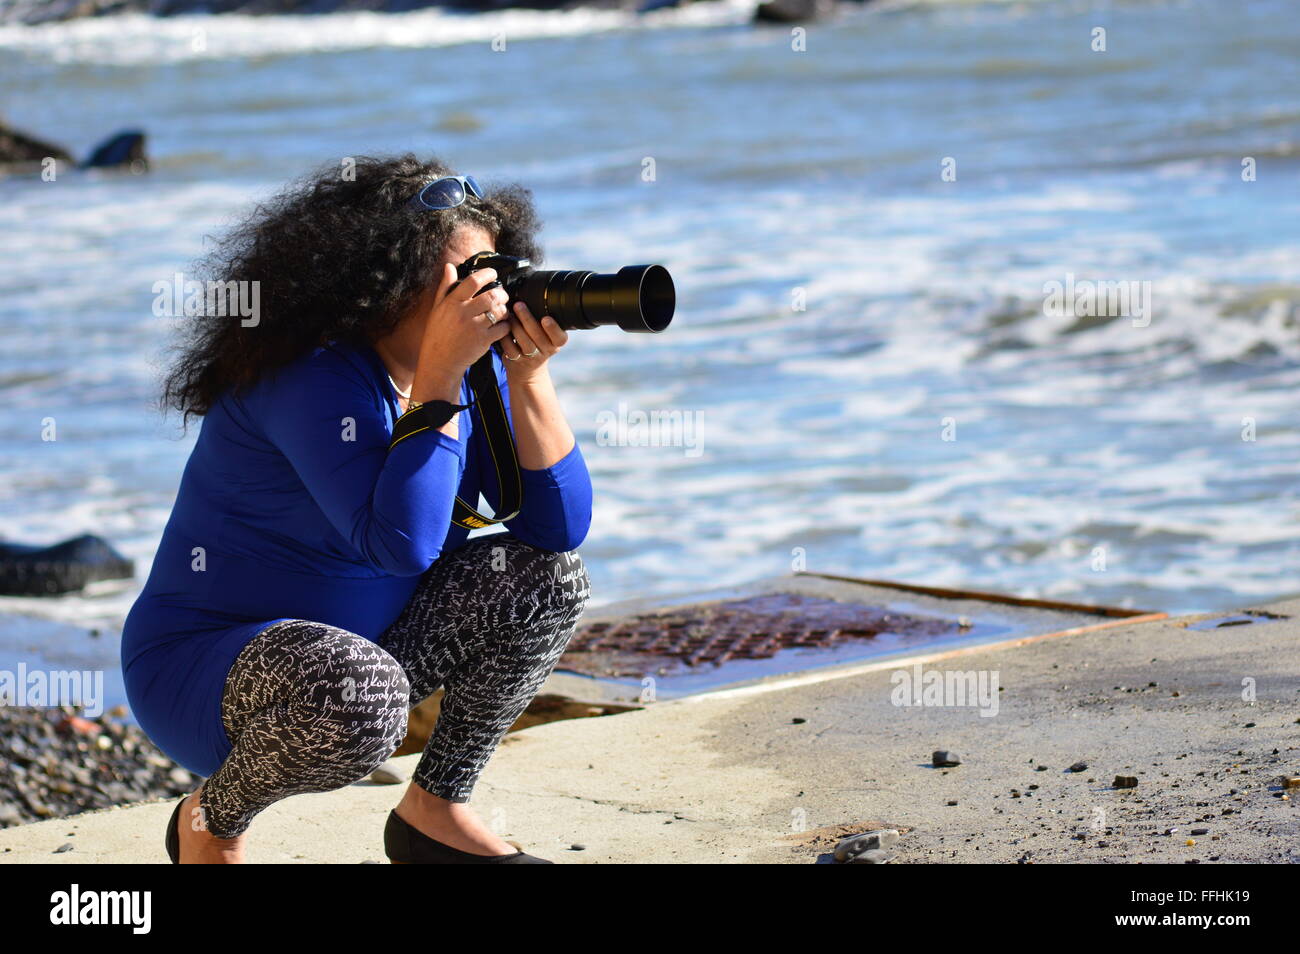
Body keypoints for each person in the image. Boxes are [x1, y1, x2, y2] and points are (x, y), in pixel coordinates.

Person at [121, 155, 592, 864]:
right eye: (469, 274)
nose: (490, 292)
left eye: (497, 268)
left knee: (548, 579)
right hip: (208, 670)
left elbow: (553, 531)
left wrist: (527, 377)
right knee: (361, 691)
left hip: (360, 655)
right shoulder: (306, 376)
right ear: (388, 279)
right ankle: (208, 823)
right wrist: (439, 378)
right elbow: (400, 543)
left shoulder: (466, 370)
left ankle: (435, 810)